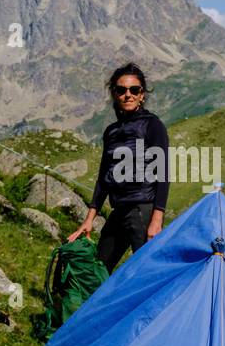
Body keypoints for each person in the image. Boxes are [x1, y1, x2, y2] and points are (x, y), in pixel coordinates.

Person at [67, 63, 169, 273]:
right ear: (114, 94)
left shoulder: (153, 125)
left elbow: (163, 173)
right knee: (99, 269)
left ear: (142, 95)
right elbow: (104, 177)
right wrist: (89, 220)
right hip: (119, 211)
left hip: (143, 211)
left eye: (134, 90)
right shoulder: (111, 132)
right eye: (121, 90)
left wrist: (157, 220)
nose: (128, 95)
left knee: (147, 273)